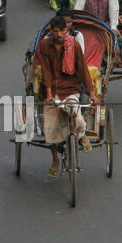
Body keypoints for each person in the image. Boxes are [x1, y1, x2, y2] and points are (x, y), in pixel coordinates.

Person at [36, 14, 92, 179]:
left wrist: (92, 92)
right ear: (52, 31)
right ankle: (55, 160)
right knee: (50, 126)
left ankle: (81, 136)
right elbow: (45, 69)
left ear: (66, 30)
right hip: (52, 91)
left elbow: (83, 69)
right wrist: (48, 94)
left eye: (61, 31)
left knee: (78, 117)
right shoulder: (45, 45)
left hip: (71, 89)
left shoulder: (74, 45)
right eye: (55, 31)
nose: (59, 34)